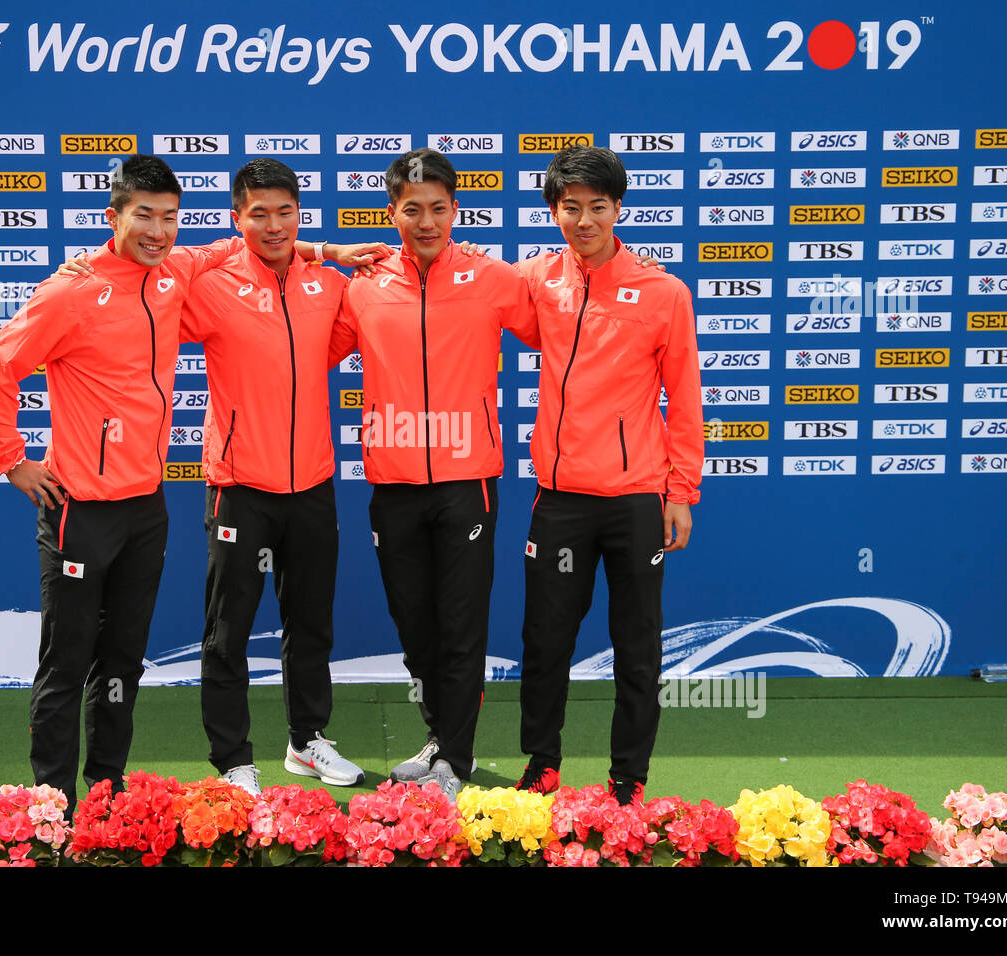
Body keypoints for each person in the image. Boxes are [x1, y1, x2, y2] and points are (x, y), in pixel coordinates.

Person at [55, 158, 393, 796]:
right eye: (257, 214)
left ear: (300, 214)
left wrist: (328, 251)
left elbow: (338, 342)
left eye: (285, 212)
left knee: (310, 623)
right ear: (236, 220)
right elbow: (134, 296)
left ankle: (306, 742)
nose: (273, 225)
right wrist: (87, 267)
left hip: (314, 482)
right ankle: (233, 757)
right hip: (238, 484)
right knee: (227, 633)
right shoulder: (206, 280)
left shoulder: (328, 282)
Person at [0, 154, 229, 812]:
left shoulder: (174, 270)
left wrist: (323, 246)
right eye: (143, 215)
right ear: (112, 215)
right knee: (68, 660)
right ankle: (52, 802)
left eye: (170, 218)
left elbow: (232, 245)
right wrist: (13, 459)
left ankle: (107, 793)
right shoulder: (73, 290)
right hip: (79, 508)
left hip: (146, 507)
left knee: (124, 660)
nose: (158, 230)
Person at [329, 148, 539, 798]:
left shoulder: (490, 277)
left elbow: (561, 317)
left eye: (438, 208)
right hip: (392, 485)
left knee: (460, 623)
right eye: (412, 209)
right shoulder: (362, 286)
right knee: (415, 623)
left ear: (456, 210)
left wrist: (618, 265)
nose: (426, 220)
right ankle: (439, 738)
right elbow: (302, 342)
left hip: (466, 482)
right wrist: (316, 254)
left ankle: (455, 758)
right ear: (391, 211)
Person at [512, 145, 703, 805]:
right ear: (553, 211)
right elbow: (457, 288)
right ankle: (542, 765)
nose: (584, 219)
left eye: (598, 206)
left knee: (637, 648)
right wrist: (323, 254)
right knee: (545, 642)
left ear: (618, 208)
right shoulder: (534, 281)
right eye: (571, 208)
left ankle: (629, 779)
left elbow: (685, 398)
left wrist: (681, 494)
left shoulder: (663, 292)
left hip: (635, 502)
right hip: (560, 500)